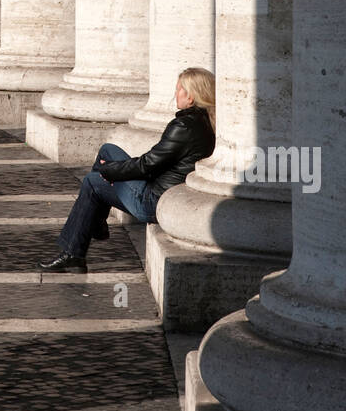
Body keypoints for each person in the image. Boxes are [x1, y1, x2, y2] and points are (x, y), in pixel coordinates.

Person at [39, 66, 216, 273]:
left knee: (92, 182)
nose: (175, 94)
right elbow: (153, 163)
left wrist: (109, 171)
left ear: (191, 97)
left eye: (179, 89)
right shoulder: (204, 123)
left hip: (153, 201)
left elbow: (147, 165)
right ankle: (97, 222)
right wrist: (112, 169)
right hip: (164, 189)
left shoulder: (184, 126)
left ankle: (73, 252)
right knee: (107, 150)